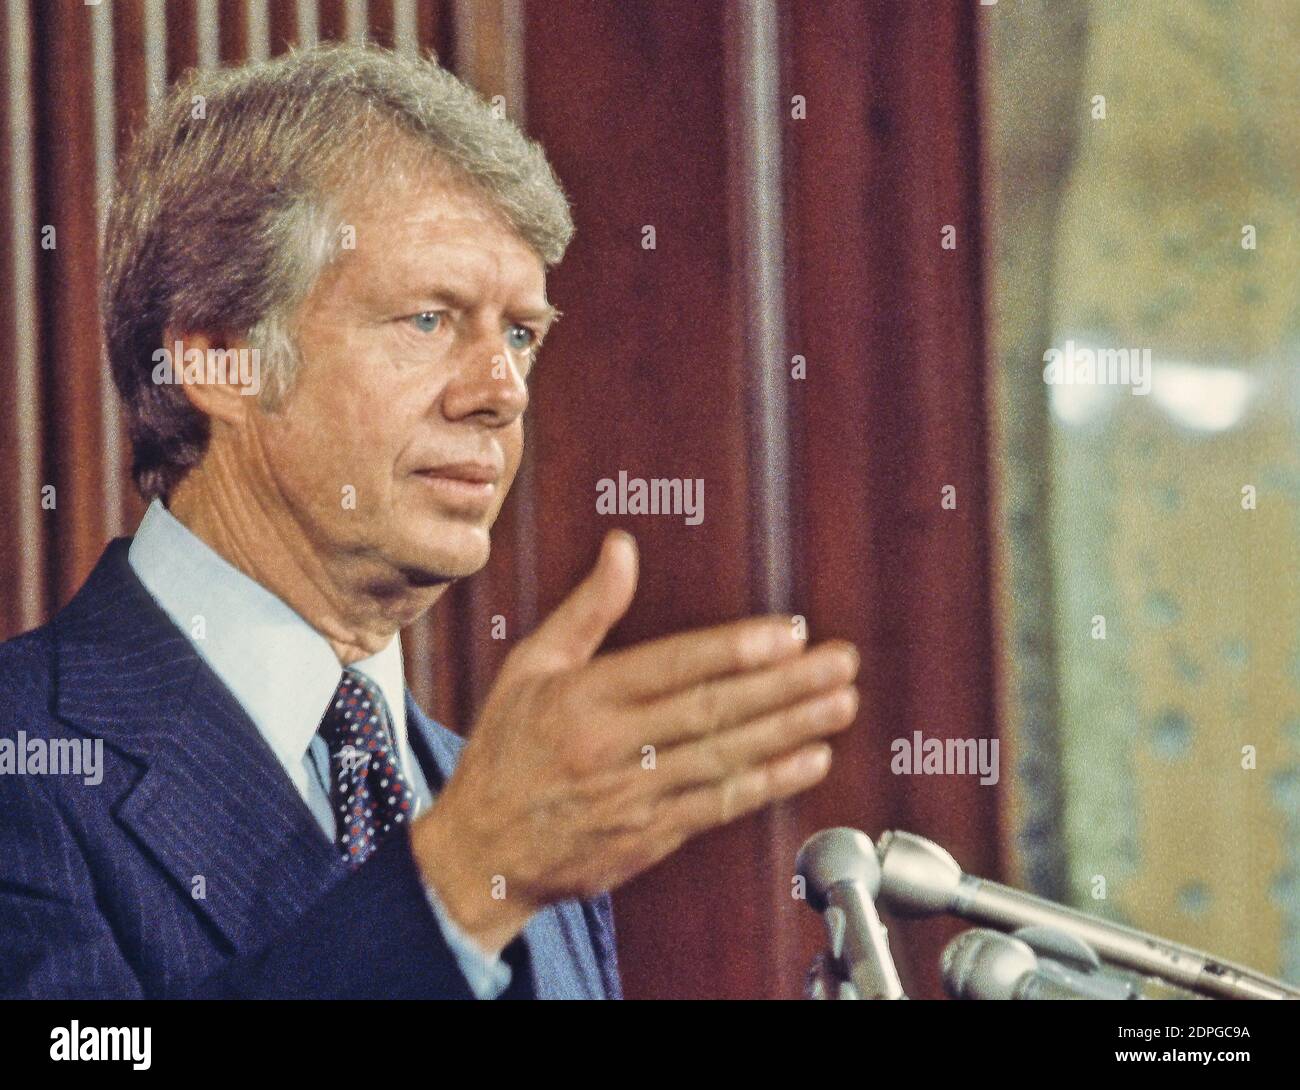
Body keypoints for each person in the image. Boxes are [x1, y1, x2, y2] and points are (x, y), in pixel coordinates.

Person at [0, 43, 860, 999]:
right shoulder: (27, 755)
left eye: (522, 335)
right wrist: (455, 884)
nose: (502, 393)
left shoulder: (510, 799)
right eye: (430, 320)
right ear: (214, 358)